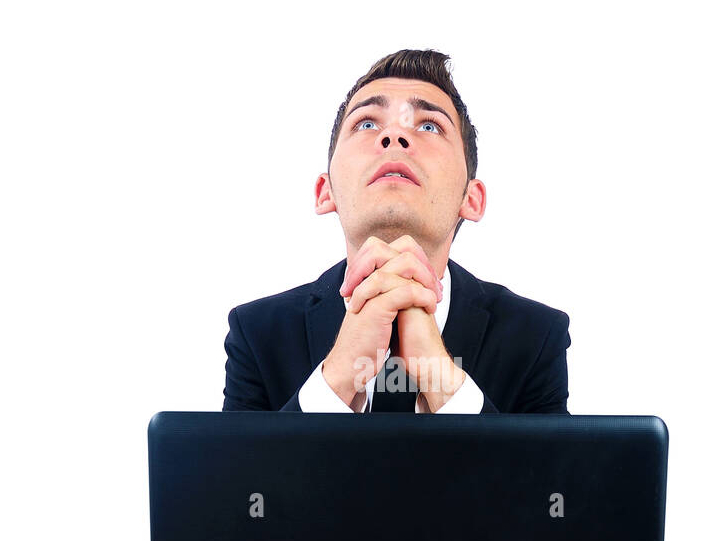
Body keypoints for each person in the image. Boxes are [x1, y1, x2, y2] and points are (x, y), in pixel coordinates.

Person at [222, 48, 570, 414]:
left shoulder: (535, 337)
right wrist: (336, 379)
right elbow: (241, 473)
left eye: (429, 126)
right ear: (326, 191)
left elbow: (545, 474)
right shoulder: (258, 335)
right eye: (368, 123)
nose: (394, 137)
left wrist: (439, 377)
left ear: (472, 198)